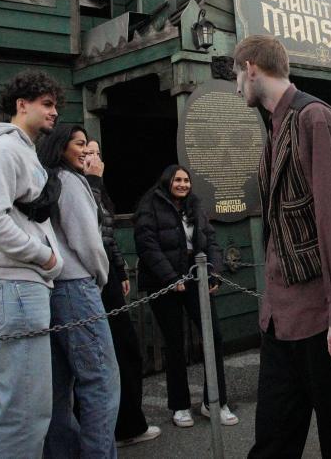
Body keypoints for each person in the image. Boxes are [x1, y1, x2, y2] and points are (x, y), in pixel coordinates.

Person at [235, 36, 331, 458]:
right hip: (281, 319)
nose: (236, 86)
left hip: (323, 317)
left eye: (235, 74)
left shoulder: (314, 119)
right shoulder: (276, 126)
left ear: (250, 68)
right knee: (273, 440)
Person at [0, 71, 64, 459]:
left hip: (19, 285)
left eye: (55, 104)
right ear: (21, 105)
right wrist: (44, 256)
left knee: (7, 399)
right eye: (47, 104)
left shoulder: (21, 149)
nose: (54, 112)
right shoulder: (5, 150)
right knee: (26, 408)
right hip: (15, 285)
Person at [36, 123, 120, 457]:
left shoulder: (45, 179)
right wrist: (100, 276)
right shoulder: (70, 181)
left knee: (58, 386)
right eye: (79, 143)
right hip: (77, 286)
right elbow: (87, 239)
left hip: (50, 288)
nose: (86, 150)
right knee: (101, 381)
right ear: (61, 147)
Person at [134, 165, 238, 428]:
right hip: (165, 280)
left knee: (213, 336)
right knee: (174, 342)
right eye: (178, 180)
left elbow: (210, 241)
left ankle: (215, 400)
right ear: (167, 181)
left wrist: (213, 273)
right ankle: (179, 406)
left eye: (186, 180)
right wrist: (170, 278)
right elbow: (147, 244)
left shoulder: (196, 206)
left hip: (196, 274)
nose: (182, 184)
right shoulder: (150, 204)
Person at [84, 139, 161, 448]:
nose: (93, 157)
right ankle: (110, 431)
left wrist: (118, 269)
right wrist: (92, 181)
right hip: (88, 281)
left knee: (125, 349)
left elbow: (107, 235)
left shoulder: (95, 188)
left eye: (97, 152)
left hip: (107, 277)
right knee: (99, 357)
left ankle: (128, 424)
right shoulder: (77, 186)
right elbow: (85, 230)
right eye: (87, 151)